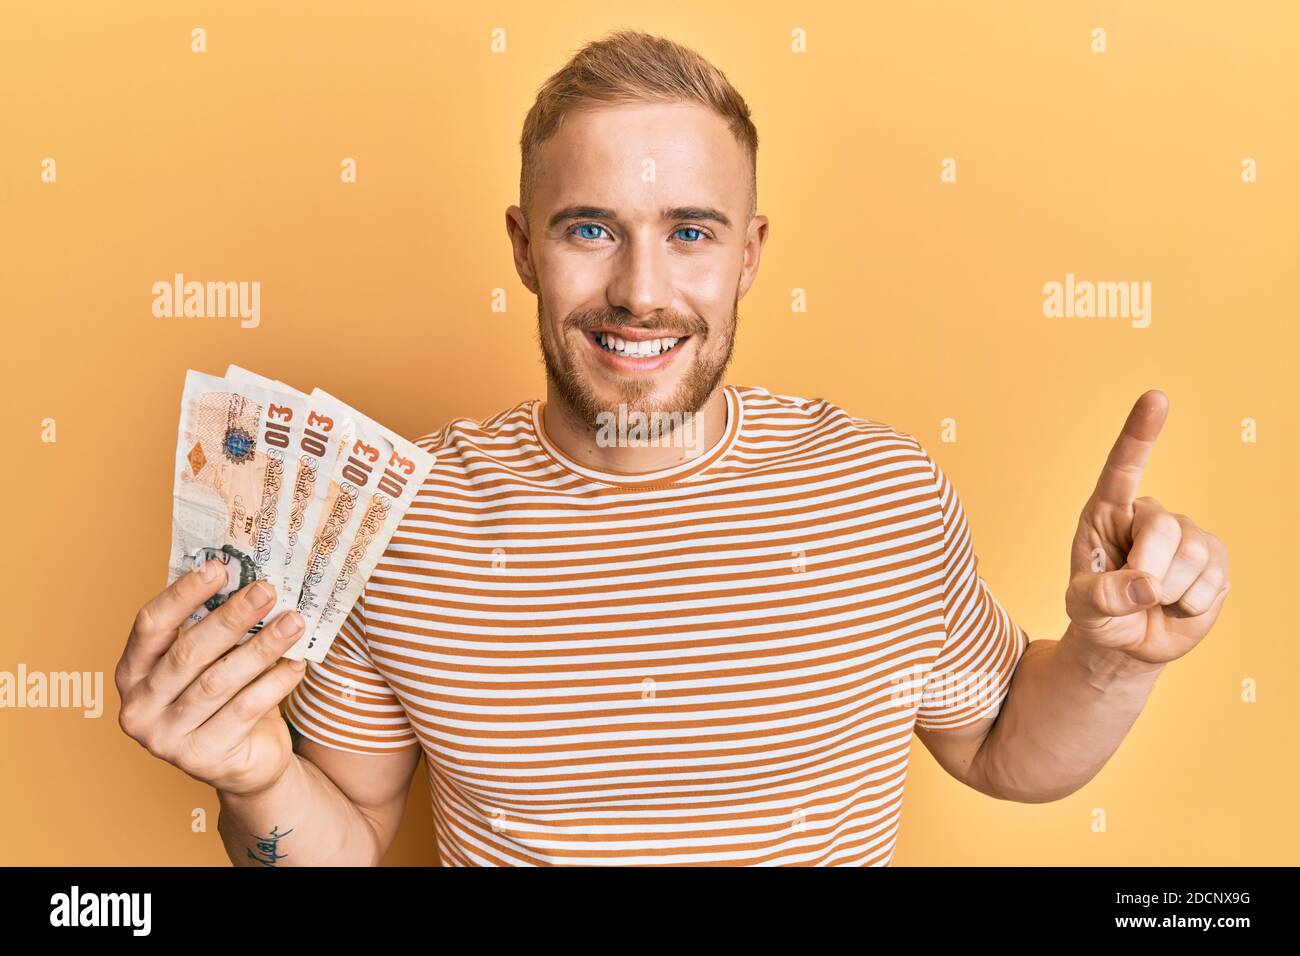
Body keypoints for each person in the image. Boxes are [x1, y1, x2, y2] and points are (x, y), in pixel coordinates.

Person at [116, 30, 1230, 866]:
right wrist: (256, 778)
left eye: (688, 233)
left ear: (747, 254)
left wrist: (1112, 656)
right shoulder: (404, 518)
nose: (640, 293)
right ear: (522, 245)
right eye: (590, 228)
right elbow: (352, 835)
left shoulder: (882, 494)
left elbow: (1002, 748)